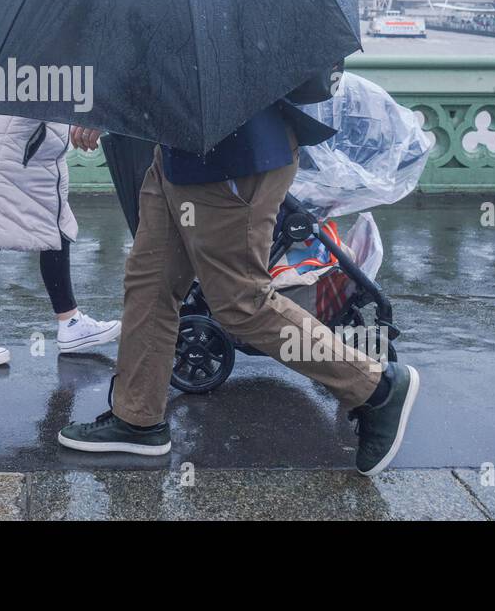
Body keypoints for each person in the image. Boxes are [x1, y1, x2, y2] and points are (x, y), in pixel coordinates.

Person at [57, 101, 421, 477]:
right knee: (150, 282)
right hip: (177, 153)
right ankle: (136, 419)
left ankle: (376, 388)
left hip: (228, 158)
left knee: (241, 302)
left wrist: (107, 107)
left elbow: (184, 62)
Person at [0, 113, 121, 367]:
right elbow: (48, 84)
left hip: (30, 148)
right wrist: (90, 115)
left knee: (57, 229)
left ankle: (70, 322)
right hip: (7, 151)